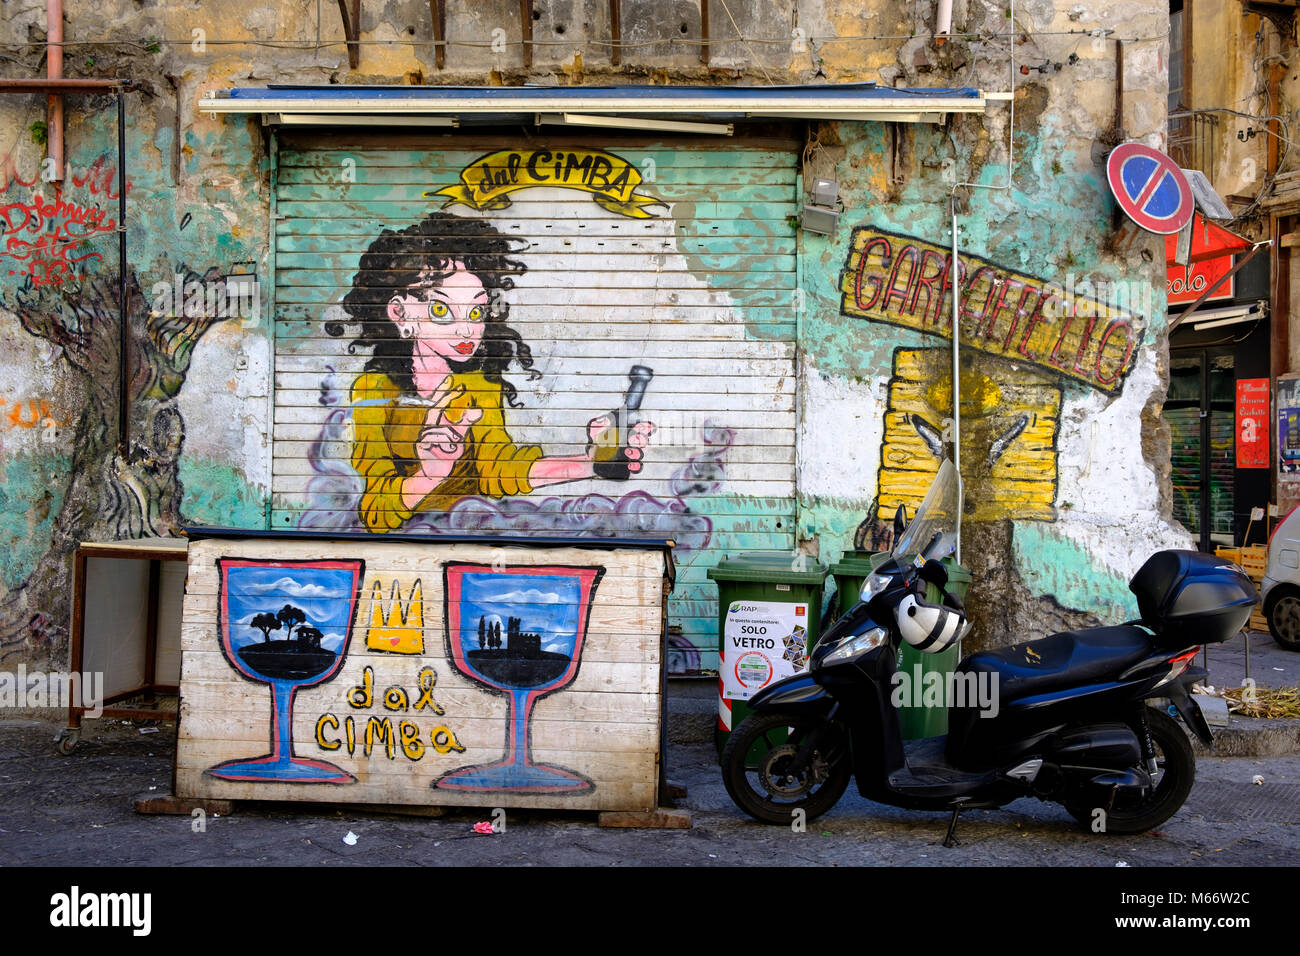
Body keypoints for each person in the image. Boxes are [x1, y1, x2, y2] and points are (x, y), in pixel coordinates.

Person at [340, 212, 652, 533]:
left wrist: (589, 462)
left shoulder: (479, 387)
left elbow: (499, 469)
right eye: (441, 310)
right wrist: (429, 474)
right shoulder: (374, 389)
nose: (466, 331)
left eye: (476, 312)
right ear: (400, 312)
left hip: (470, 536)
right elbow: (374, 512)